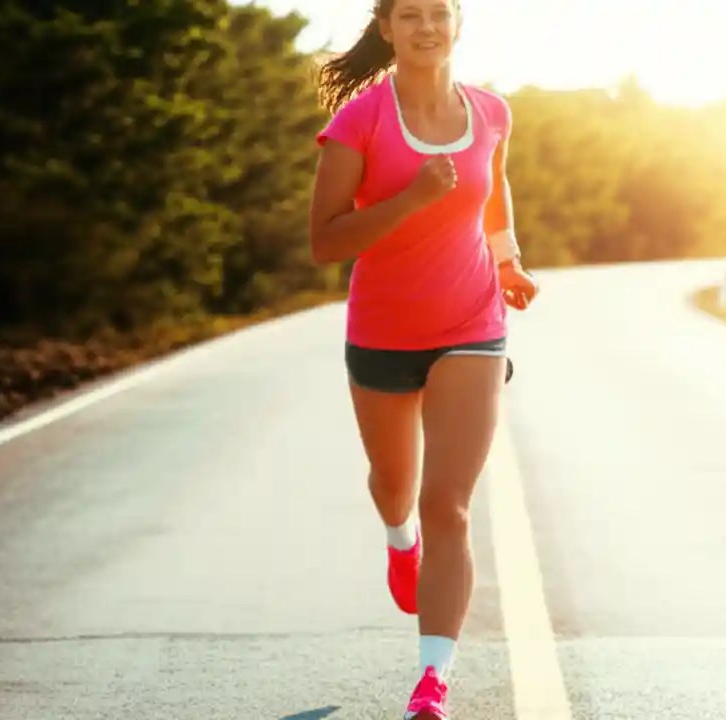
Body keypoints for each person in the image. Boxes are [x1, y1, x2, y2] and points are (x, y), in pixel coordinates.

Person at [309, 0, 539, 717]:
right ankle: (396, 539)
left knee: (450, 504)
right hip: (381, 330)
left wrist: (508, 261)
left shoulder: (492, 113)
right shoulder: (361, 121)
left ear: (460, 23)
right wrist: (411, 199)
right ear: (386, 28)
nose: (427, 26)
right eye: (410, 14)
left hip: (471, 322)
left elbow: (492, 191)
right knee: (393, 486)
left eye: (439, 12)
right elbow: (326, 241)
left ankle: (431, 682)